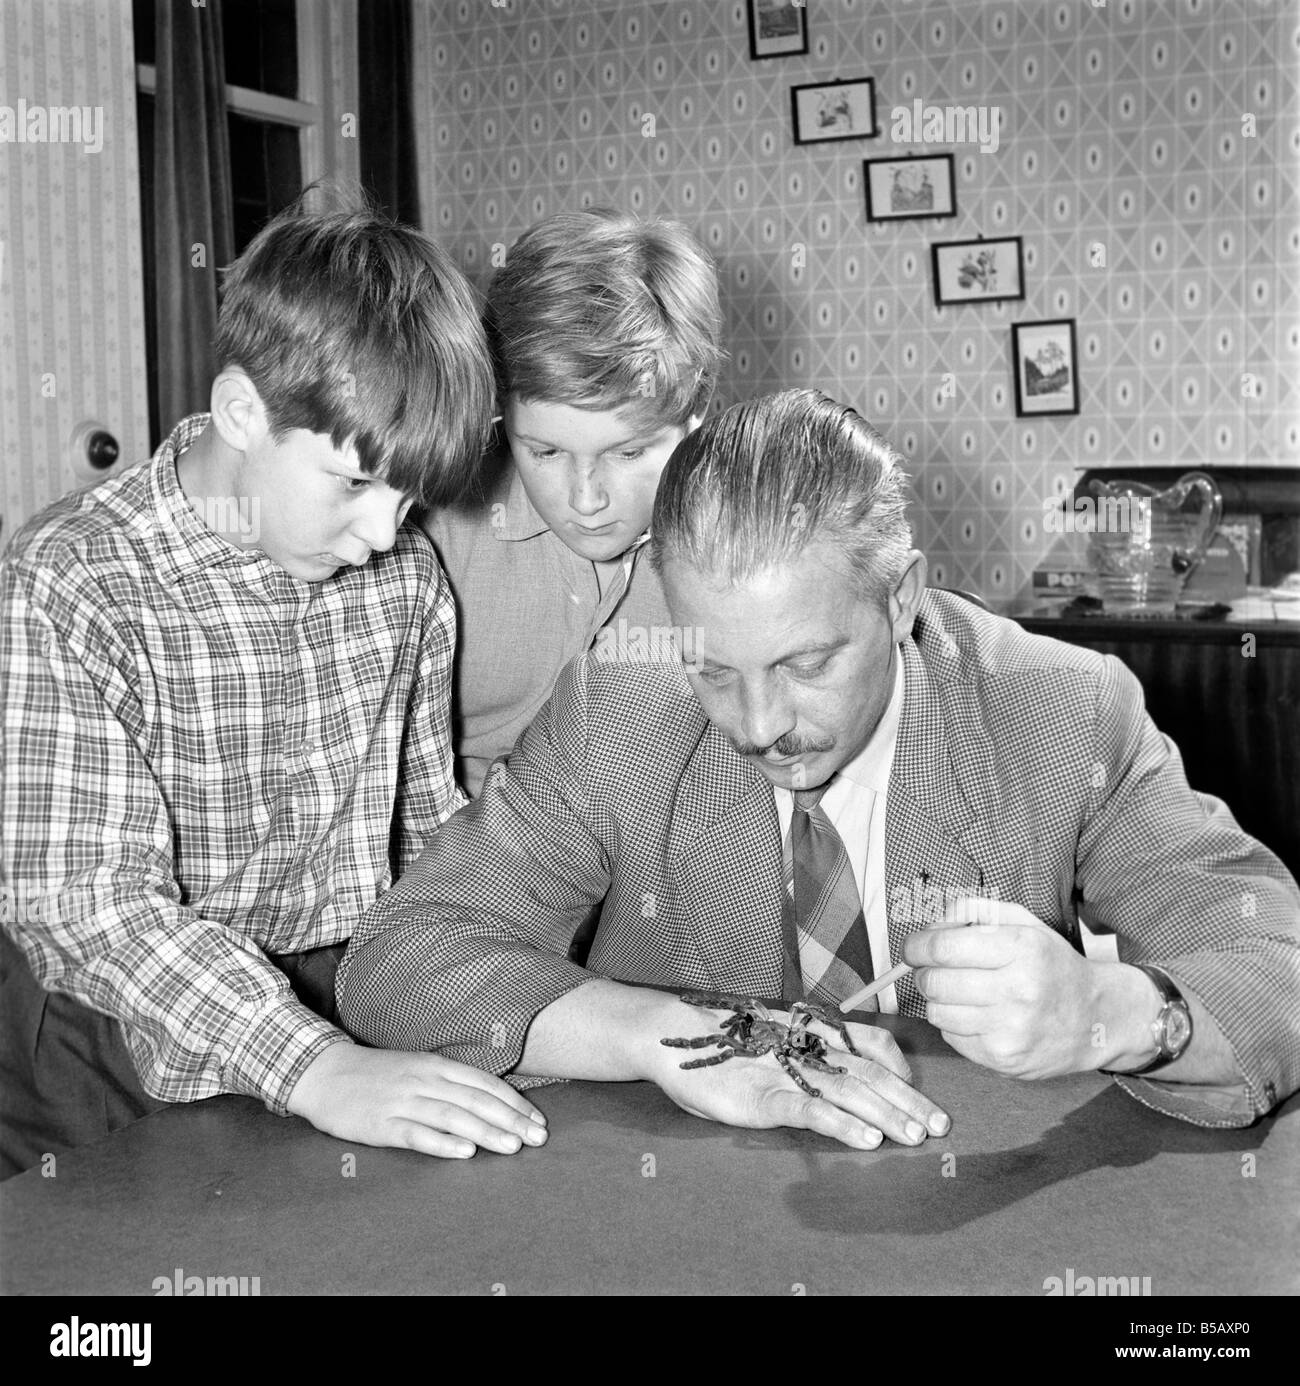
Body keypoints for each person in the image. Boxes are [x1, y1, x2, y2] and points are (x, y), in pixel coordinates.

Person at [338, 389, 1300, 1149]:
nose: (759, 727)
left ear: (900, 601)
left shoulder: (1060, 710)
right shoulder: (616, 711)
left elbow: (1279, 968)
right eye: (714, 669)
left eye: (805, 665)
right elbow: (400, 958)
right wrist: (659, 1037)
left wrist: (1111, 1015)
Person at [0, 196, 549, 1178]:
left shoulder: (403, 582)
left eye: (410, 498)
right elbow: (86, 906)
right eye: (353, 483)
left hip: (334, 1010)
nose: (387, 534)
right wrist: (315, 1067)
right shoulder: (72, 575)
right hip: (106, 1040)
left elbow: (431, 840)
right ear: (244, 411)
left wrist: (510, 983)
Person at [423, 207, 724, 796]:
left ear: (698, 405)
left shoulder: (747, 538)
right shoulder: (426, 522)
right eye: (546, 452)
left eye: (629, 453)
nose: (586, 501)